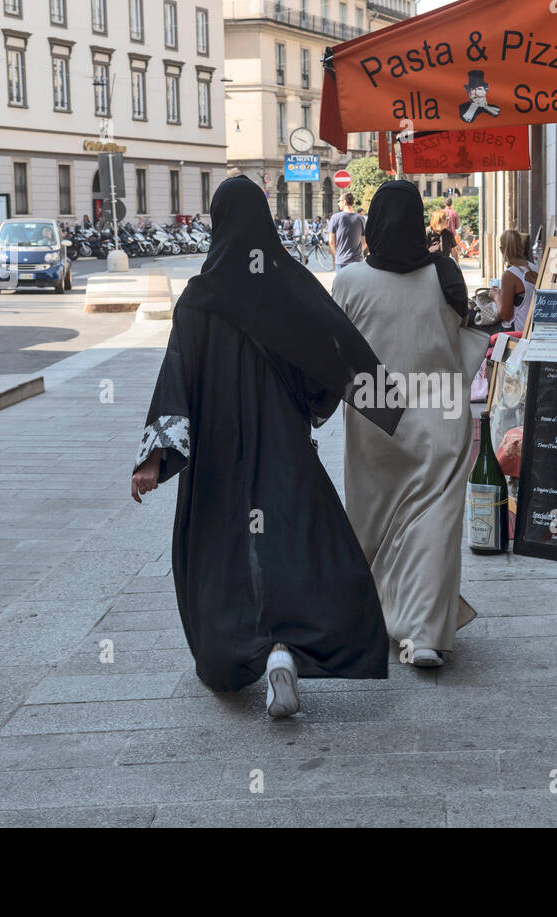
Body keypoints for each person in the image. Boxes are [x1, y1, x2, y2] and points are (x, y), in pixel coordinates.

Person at [130, 176, 402, 718]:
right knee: (294, 543)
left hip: (216, 456)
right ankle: (284, 649)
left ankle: (245, 651)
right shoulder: (288, 284)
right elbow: (333, 350)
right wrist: (352, 399)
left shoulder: (200, 298)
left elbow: (176, 378)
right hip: (282, 447)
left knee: (223, 550)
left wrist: (154, 459)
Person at [332, 180, 474, 669]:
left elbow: (333, 351)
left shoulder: (349, 281)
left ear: (371, 226)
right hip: (441, 418)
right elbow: (471, 324)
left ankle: (379, 613)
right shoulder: (445, 274)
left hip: (375, 421)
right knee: (434, 523)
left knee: (375, 523)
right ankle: (425, 634)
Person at [497, 228, 537, 332]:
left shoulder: (510, 275)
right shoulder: (534, 268)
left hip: (519, 331)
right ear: (521, 246)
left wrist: (496, 296)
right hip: (533, 328)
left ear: (501, 249)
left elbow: (506, 315)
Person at [328, 192, 366, 273]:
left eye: (339, 201)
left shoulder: (335, 218)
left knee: (341, 285)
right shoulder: (361, 219)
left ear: (344, 202)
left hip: (342, 261)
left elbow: (331, 241)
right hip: (357, 262)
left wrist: (337, 255)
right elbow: (365, 243)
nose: (338, 203)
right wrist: (357, 253)